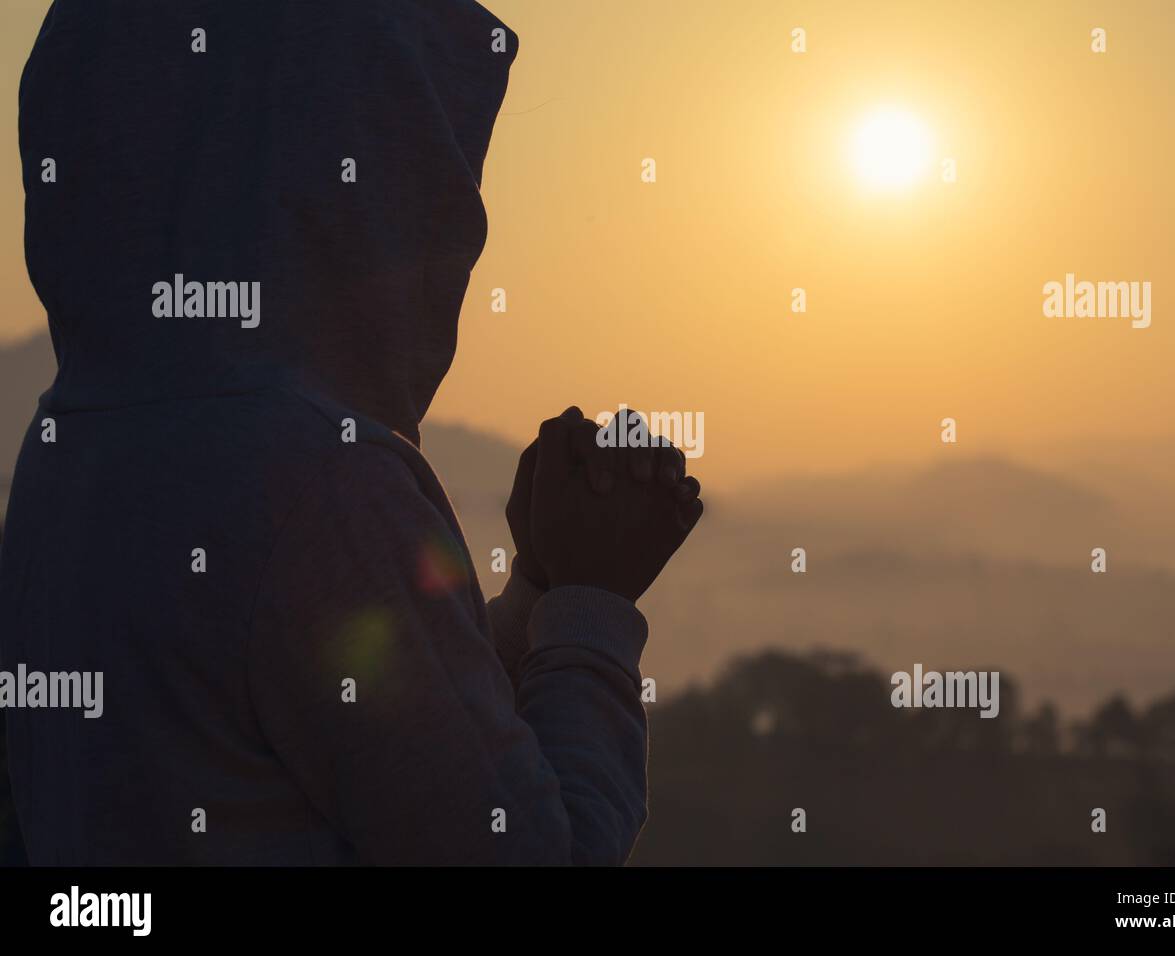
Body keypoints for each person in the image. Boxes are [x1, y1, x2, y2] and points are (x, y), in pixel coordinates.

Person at [0, 0, 701, 865]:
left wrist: (536, 594)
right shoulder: (312, 482)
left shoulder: (70, 444)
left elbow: (334, 730)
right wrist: (594, 601)